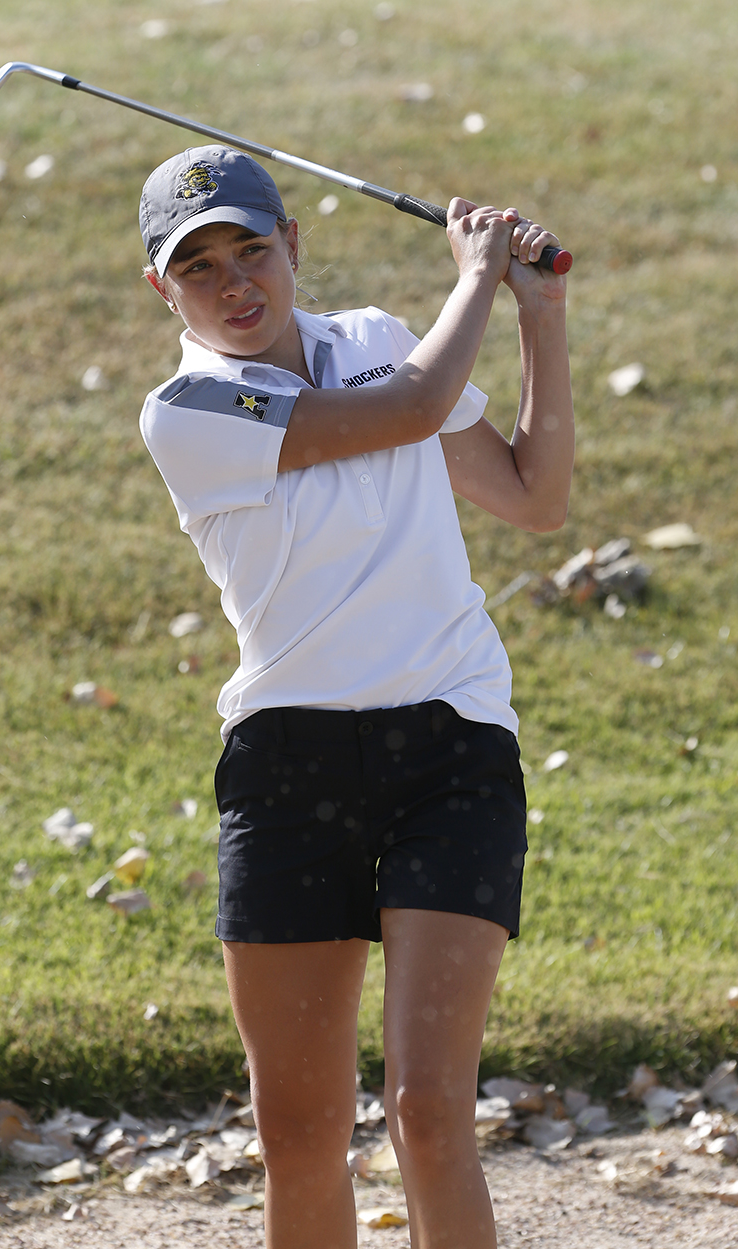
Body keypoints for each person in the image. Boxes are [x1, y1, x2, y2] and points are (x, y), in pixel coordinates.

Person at [138, 144, 573, 1249]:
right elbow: (417, 405)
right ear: (163, 290)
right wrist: (475, 274)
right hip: (287, 768)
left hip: (451, 748)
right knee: (298, 1129)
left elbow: (534, 497)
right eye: (198, 268)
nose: (234, 283)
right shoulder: (189, 413)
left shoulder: (380, 339)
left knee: (431, 1111)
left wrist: (539, 313)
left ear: (295, 246)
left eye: (251, 249)